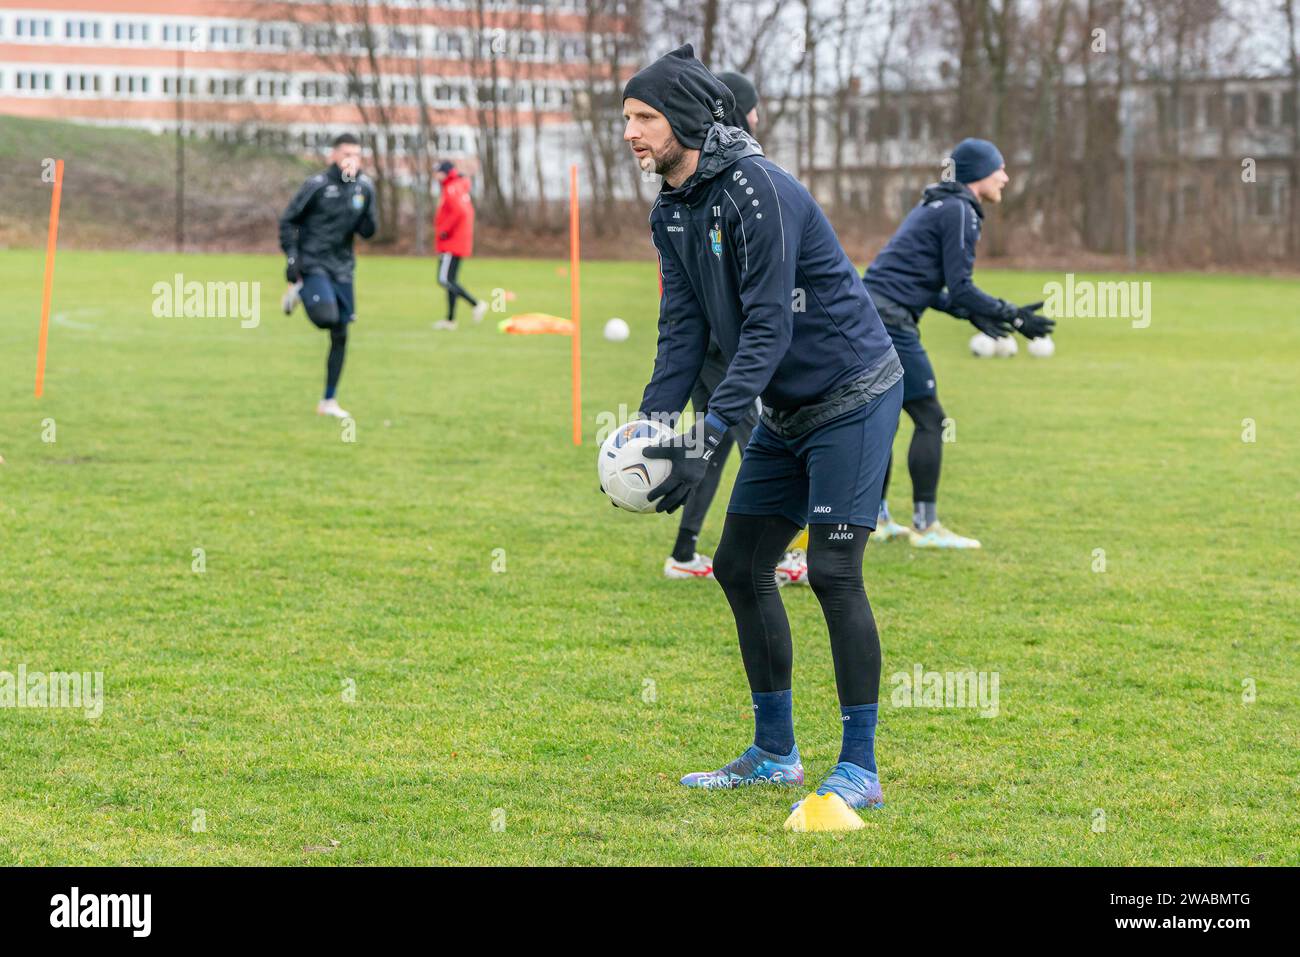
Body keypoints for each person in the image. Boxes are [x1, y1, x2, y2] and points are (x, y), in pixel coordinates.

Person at [623, 45, 904, 817]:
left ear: (683, 118)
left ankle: (860, 767)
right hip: (785, 411)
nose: (631, 132)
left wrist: (708, 436)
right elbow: (683, 332)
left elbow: (771, 325)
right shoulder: (671, 208)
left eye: (644, 117)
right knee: (742, 565)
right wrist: (654, 429)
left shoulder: (758, 188)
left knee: (834, 572)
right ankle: (775, 753)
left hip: (853, 393)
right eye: (626, 119)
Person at [862, 139, 1053, 548]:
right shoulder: (960, 210)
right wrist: (1013, 315)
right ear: (980, 173)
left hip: (871, 315)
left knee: (886, 417)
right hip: (889, 323)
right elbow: (961, 287)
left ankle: (875, 519)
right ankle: (926, 527)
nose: (1005, 176)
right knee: (930, 418)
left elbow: (928, 287)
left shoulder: (936, 204)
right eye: (1000, 168)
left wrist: (980, 314)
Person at [662, 70, 807, 588]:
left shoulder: (727, 182)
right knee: (759, 438)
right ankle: (787, 552)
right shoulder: (715, 185)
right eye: (754, 108)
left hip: (709, 342)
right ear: (739, 112)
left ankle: (683, 551)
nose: (759, 117)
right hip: (719, 344)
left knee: (714, 443)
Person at [278, 133, 377, 419]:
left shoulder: (364, 187)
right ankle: (300, 289)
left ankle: (329, 400)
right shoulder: (317, 186)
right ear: (332, 155)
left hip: (343, 266)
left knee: (341, 333)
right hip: (313, 261)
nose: (351, 159)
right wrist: (293, 258)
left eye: (356, 155)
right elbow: (289, 221)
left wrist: (366, 208)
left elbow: (370, 231)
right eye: (346, 153)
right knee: (325, 318)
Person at [432, 160, 487, 330]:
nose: (435, 175)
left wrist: (444, 231)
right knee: (451, 281)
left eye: (437, 172)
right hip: (457, 241)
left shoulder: (451, 188)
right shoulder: (456, 186)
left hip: (451, 242)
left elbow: (460, 212)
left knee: (444, 279)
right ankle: (450, 320)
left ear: (445, 172)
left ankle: (476, 304)